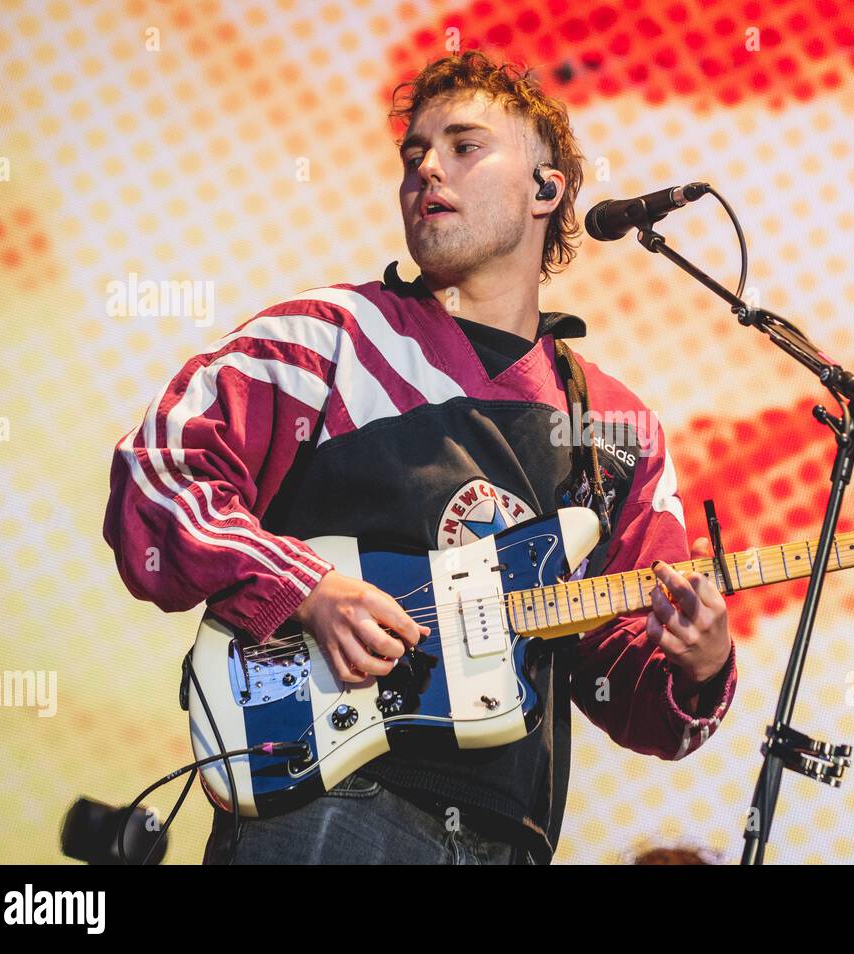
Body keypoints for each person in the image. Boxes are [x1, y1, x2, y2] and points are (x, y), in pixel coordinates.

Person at [102, 51, 737, 865]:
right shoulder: (326, 336)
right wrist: (305, 589)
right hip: (328, 806)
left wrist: (699, 662)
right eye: (414, 153)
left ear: (546, 191)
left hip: (511, 838)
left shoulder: (614, 426)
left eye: (465, 146)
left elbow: (632, 690)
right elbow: (157, 477)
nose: (427, 168)